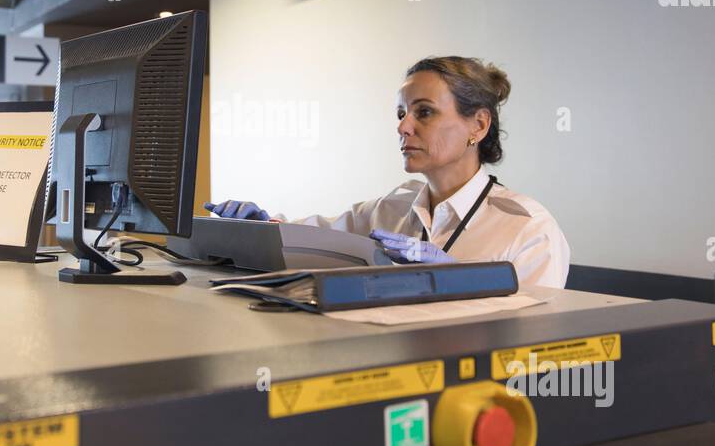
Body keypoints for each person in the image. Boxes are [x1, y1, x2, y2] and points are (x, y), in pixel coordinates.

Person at [205, 56, 571, 289]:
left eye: (423, 112)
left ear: (478, 124)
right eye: (401, 114)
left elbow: (538, 344)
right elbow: (313, 236)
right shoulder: (390, 210)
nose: (403, 127)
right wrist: (261, 227)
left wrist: (462, 278)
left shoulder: (528, 228)